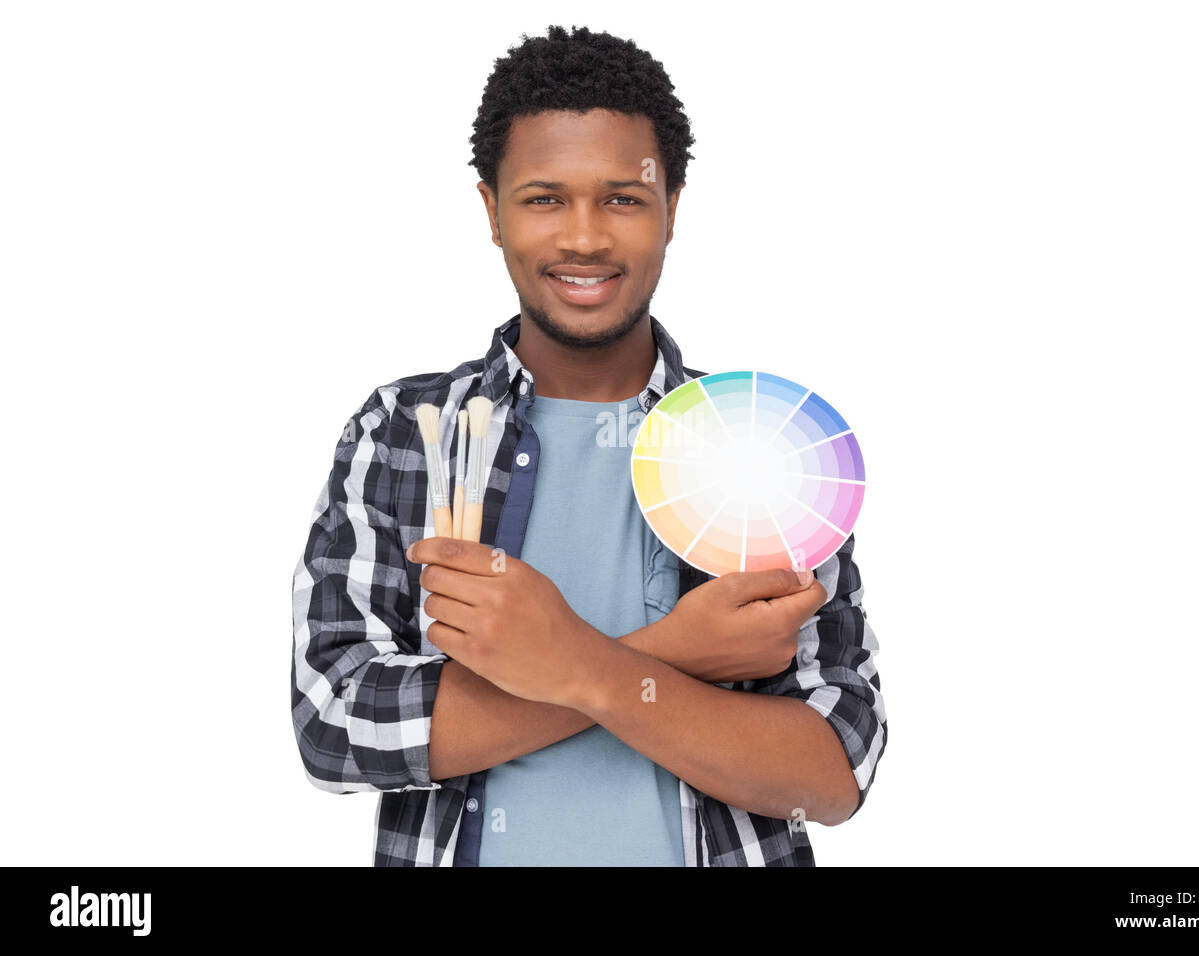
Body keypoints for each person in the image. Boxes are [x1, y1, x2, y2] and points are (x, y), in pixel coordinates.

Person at [290, 24, 887, 866]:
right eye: (543, 198)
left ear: (671, 209)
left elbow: (833, 772)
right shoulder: (401, 435)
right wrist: (672, 652)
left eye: (622, 197)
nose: (583, 238)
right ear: (491, 212)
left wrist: (582, 666)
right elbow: (336, 726)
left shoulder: (769, 444)